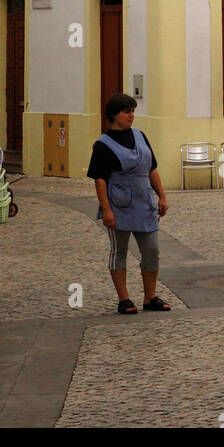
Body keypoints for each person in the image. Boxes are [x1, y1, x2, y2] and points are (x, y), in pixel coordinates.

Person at [88, 93, 171, 314]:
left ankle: (150, 297)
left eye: (133, 111)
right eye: (127, 111)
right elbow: (100, 179)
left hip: (145, 202)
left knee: (152, 251)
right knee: (119, 251)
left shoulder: (140, 136)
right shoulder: (103, 145)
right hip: (119, 204)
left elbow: (151, 168)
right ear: (114, 115)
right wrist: (106, 209)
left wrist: (161, 196)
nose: (131, 115)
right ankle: (124, 299)